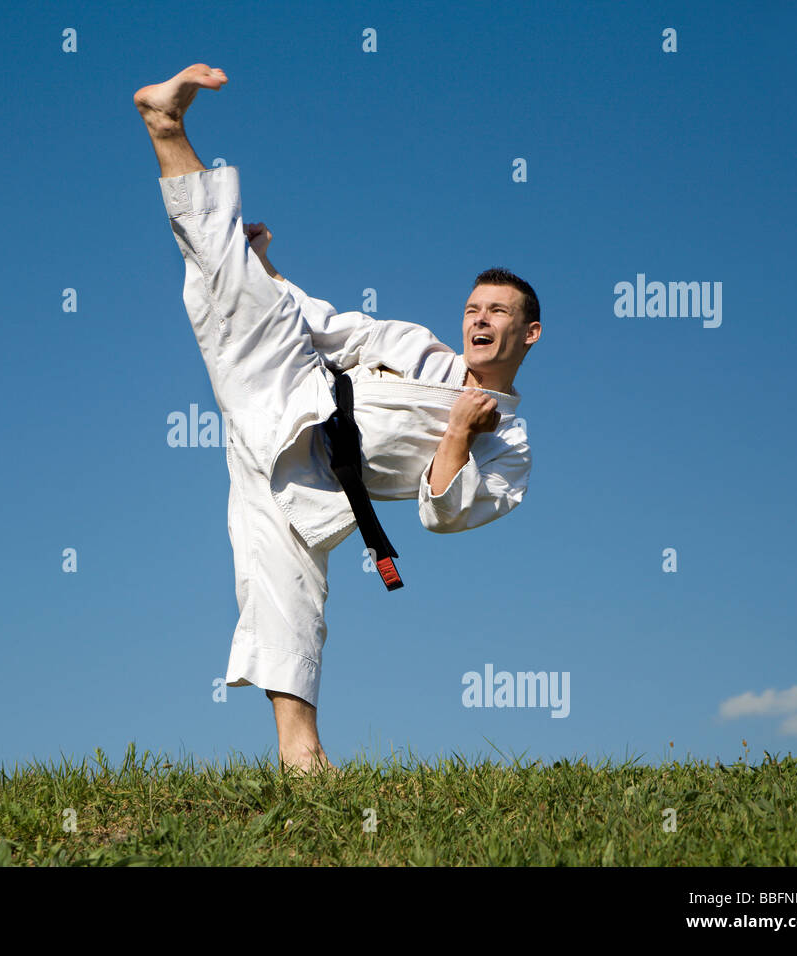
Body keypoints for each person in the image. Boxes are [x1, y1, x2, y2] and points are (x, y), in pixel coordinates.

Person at [135, 64, 542, 773]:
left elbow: (443, 517)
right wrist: (272, 272)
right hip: (295, 389)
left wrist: (457, 434)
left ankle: (301, 756)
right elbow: (328, 327)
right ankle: (166, 123)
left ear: (528, 333)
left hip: (320, 482)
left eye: (497, 312)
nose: (479, 320)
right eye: (474, 308)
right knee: (230, 276)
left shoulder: (511, 449)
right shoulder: (421, 347)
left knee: (289, 591)